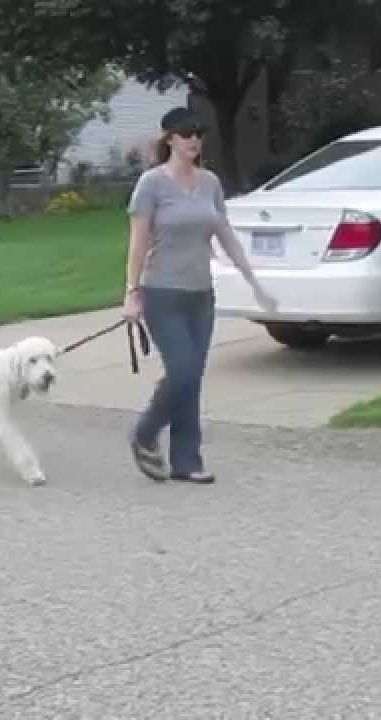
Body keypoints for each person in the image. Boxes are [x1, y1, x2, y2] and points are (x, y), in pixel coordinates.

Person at [124, 106, 277, 484]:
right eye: (187, 132)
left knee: (193, 378)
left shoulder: (209, 182)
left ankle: (187, 460)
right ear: (170, 139)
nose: (195, 139)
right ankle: (144, 433)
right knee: (183, 371)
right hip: (162, 293)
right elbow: (138, 242)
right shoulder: (152, 184)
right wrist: (131, 292)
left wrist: (254, 282)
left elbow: (225, 234)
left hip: (200, 297)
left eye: (199, 132)